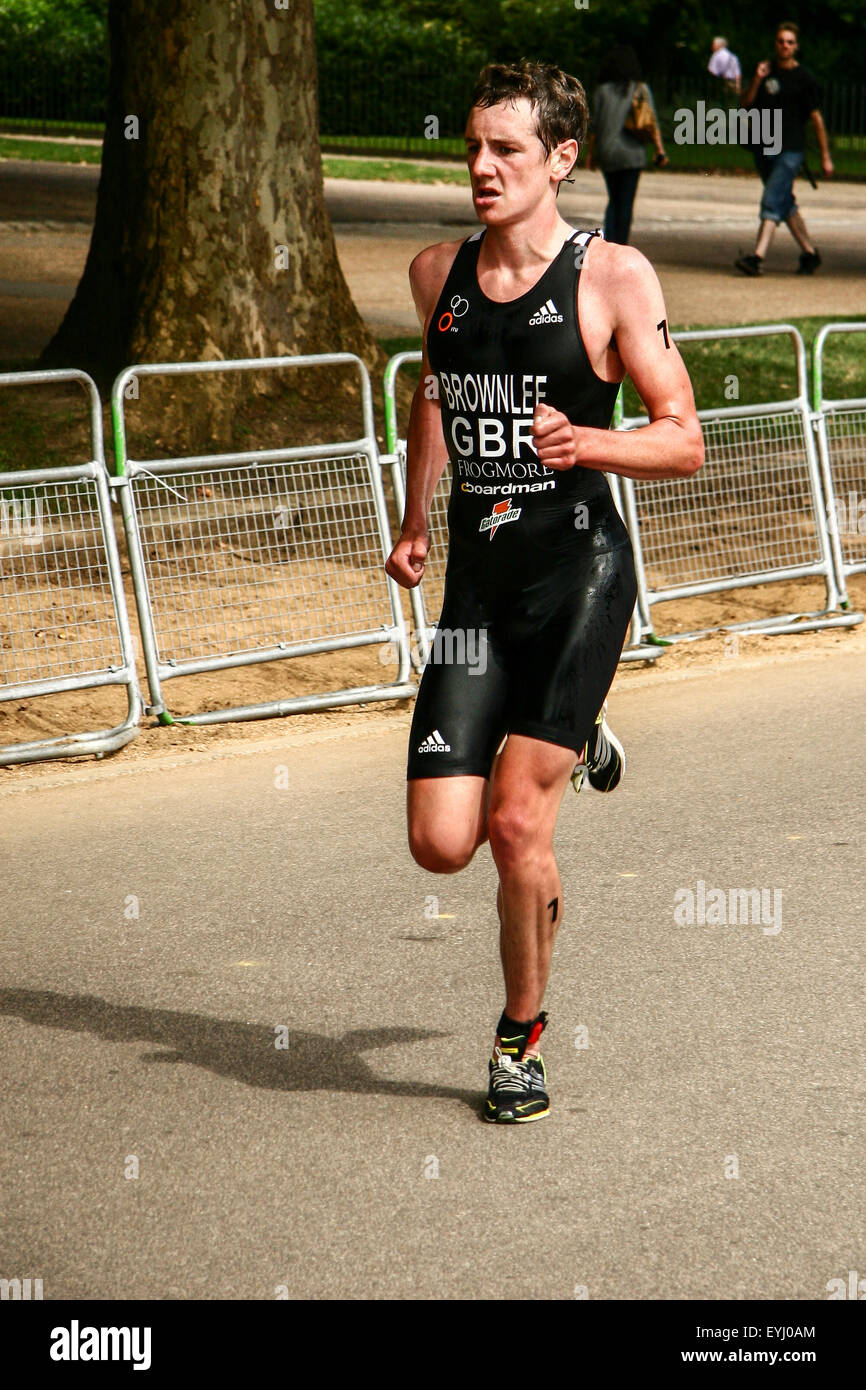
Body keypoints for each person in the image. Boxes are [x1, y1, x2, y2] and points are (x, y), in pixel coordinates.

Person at [385, 59, 703, 1125]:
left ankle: (517, 1037)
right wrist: (416, 514)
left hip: (577, 575)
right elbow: (436, 385)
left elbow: (685, 440)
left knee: (518, 826)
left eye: (505, 149)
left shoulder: (613, 278)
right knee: (440, 840)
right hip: (477, 585)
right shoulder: (437, 271)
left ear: (561, 160)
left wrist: (587, 444)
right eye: (471, 146)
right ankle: (582, 732)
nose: (480, 166)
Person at [735, 22, 833, 276]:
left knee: (771, 199)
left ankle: (757, 258)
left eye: (789, 42)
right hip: (764, 146)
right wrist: (756, 79)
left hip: (790, 149)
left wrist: (825, 155)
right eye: (781, 41)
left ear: (796, 46)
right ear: (775, 43)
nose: (785, 46)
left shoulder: (804, 79)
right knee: (783, 201)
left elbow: (816, 119)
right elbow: (745, 104)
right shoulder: (765, 71)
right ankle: (810, 254)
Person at [584, 44, 668, 246]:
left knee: (613, 200)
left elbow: (595, 125)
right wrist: (659, 150)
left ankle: (609, 243)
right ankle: (620, 244)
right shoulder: (639, 89)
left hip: (607, 151)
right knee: (626, 203)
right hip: (632, 154)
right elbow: (651, 121)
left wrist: (590, 154)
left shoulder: (602, 91)